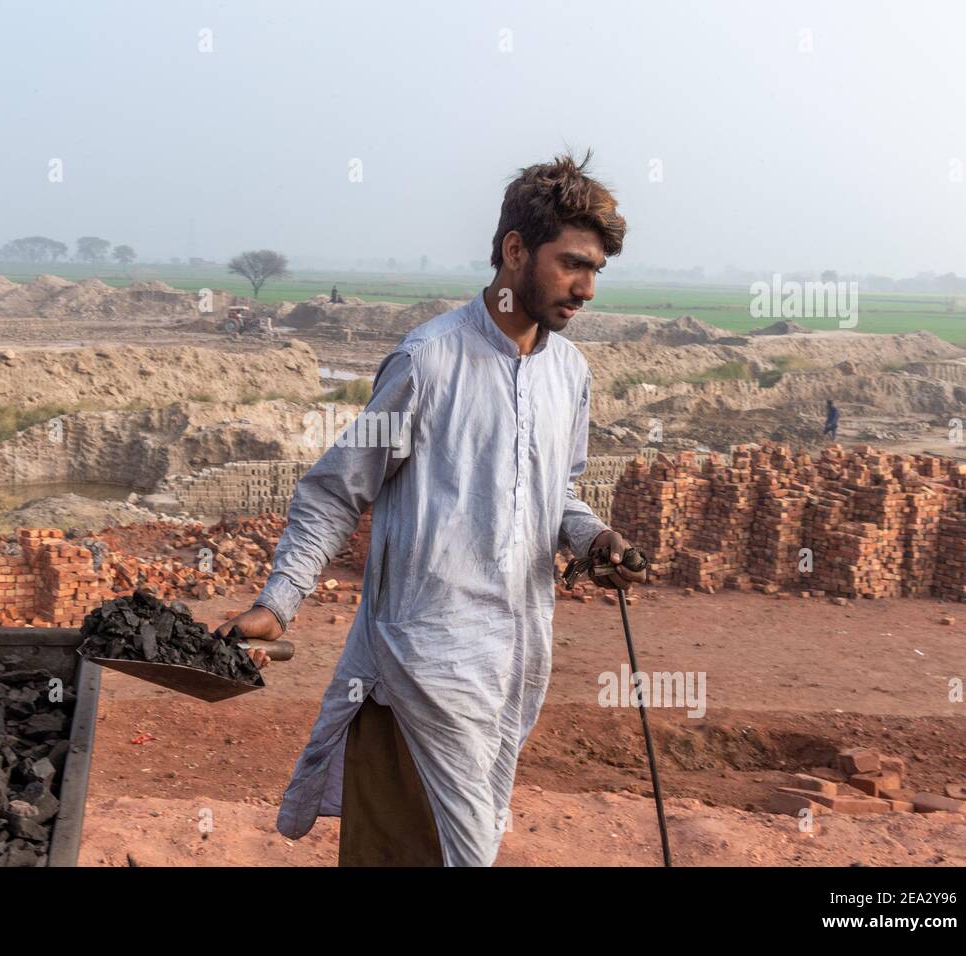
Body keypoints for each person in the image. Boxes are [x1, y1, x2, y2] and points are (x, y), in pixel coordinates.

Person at [217, 152, 646, 867]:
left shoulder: (569, 375)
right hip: (414, 670)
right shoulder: (428, 363)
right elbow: (336, 490)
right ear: (515, 250)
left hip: (510, 671)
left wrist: (594, 538)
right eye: (573, 264)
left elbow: (558, 491)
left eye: (597, 270)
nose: (588, 289)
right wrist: (278, 602)